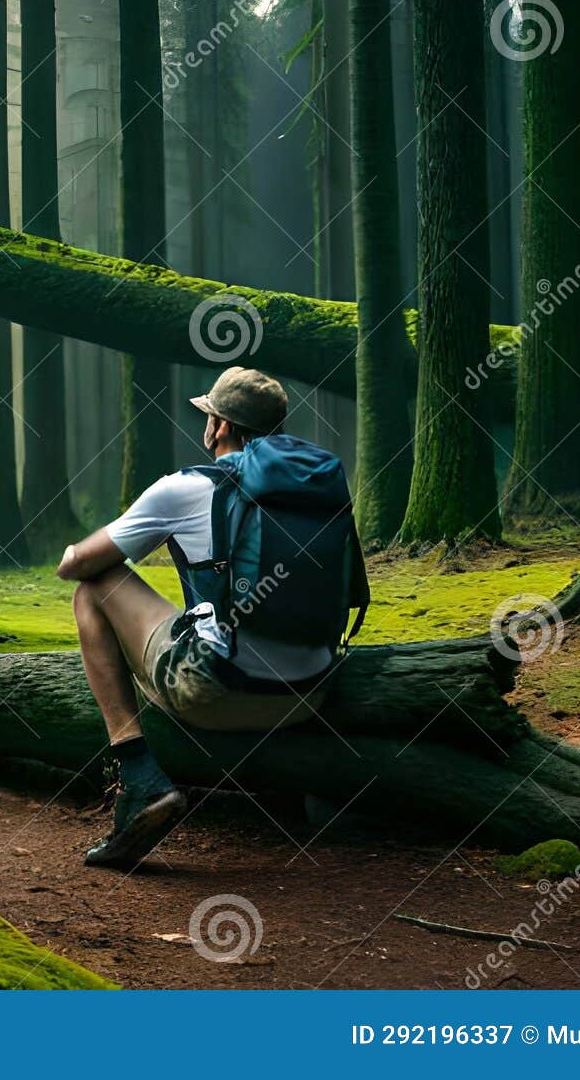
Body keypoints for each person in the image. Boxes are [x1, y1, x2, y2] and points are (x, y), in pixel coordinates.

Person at [57, 366, 363, 868]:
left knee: (94, 589)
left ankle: (138, 779)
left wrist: (70, 551)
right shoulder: (316, 487)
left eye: (209, 416)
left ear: (218, 426)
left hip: (220, 690)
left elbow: (79, 565)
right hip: (312, 694)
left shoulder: (187, 486)